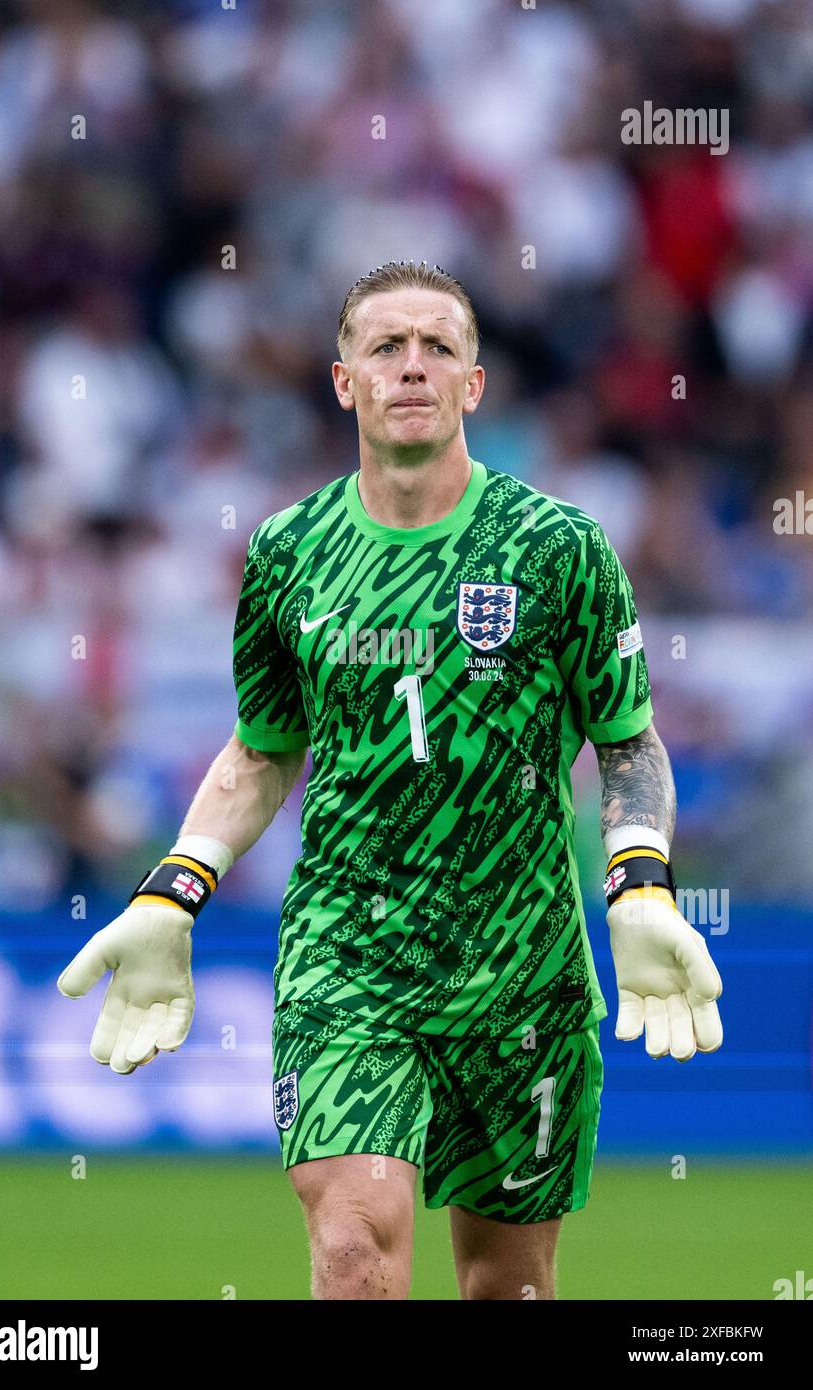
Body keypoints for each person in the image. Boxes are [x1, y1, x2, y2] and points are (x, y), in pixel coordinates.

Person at [58, 260, 723, 1301]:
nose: (411, 365)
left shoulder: (557, 548)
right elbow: (262, 746)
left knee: (508, 1288)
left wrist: (637, 882)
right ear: (342, 381)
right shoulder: (288, 553)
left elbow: (627, 742)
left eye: (437, 347)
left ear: (473, 385)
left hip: (521, 966)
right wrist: (173, 885)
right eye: (384, 346)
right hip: (348, 960)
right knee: (353, 1247)